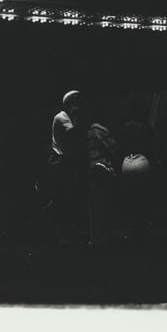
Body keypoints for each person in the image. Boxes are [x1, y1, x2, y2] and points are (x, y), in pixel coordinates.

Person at [46, 90, 87, 243]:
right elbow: (74, 135)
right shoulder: (62, 117)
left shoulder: (72, 118)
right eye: (76, 103)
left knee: (67, 196)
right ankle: (58, 231)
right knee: (61, 196)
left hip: (66, 160)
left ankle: (66, 231)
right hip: (59, 160)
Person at [86, 117, 121, 248]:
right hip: (101, 169)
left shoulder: (91, 129)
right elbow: (114, 147)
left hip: (95, 169)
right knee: (102, 204)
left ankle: (96, 238)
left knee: (96, 205)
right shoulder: (98, 129)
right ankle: (101, 239)